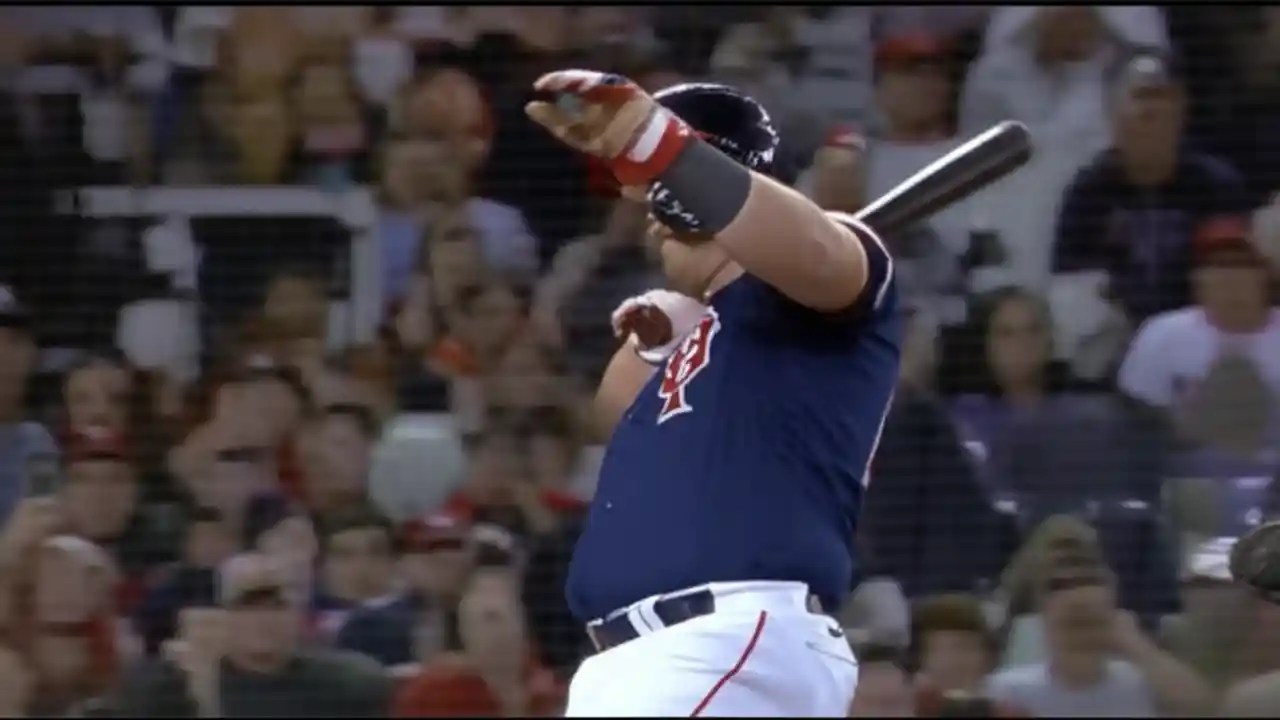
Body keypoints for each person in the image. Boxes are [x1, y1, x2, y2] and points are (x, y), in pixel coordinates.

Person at [524, 74, 901, 715]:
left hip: (728, 636)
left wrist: (654, 142)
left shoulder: (815, 277)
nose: (647, 217)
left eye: (656, 193)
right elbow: (614, 425)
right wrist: (658, 345)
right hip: (641, 659)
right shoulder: (718, 329)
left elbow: (813, 252)